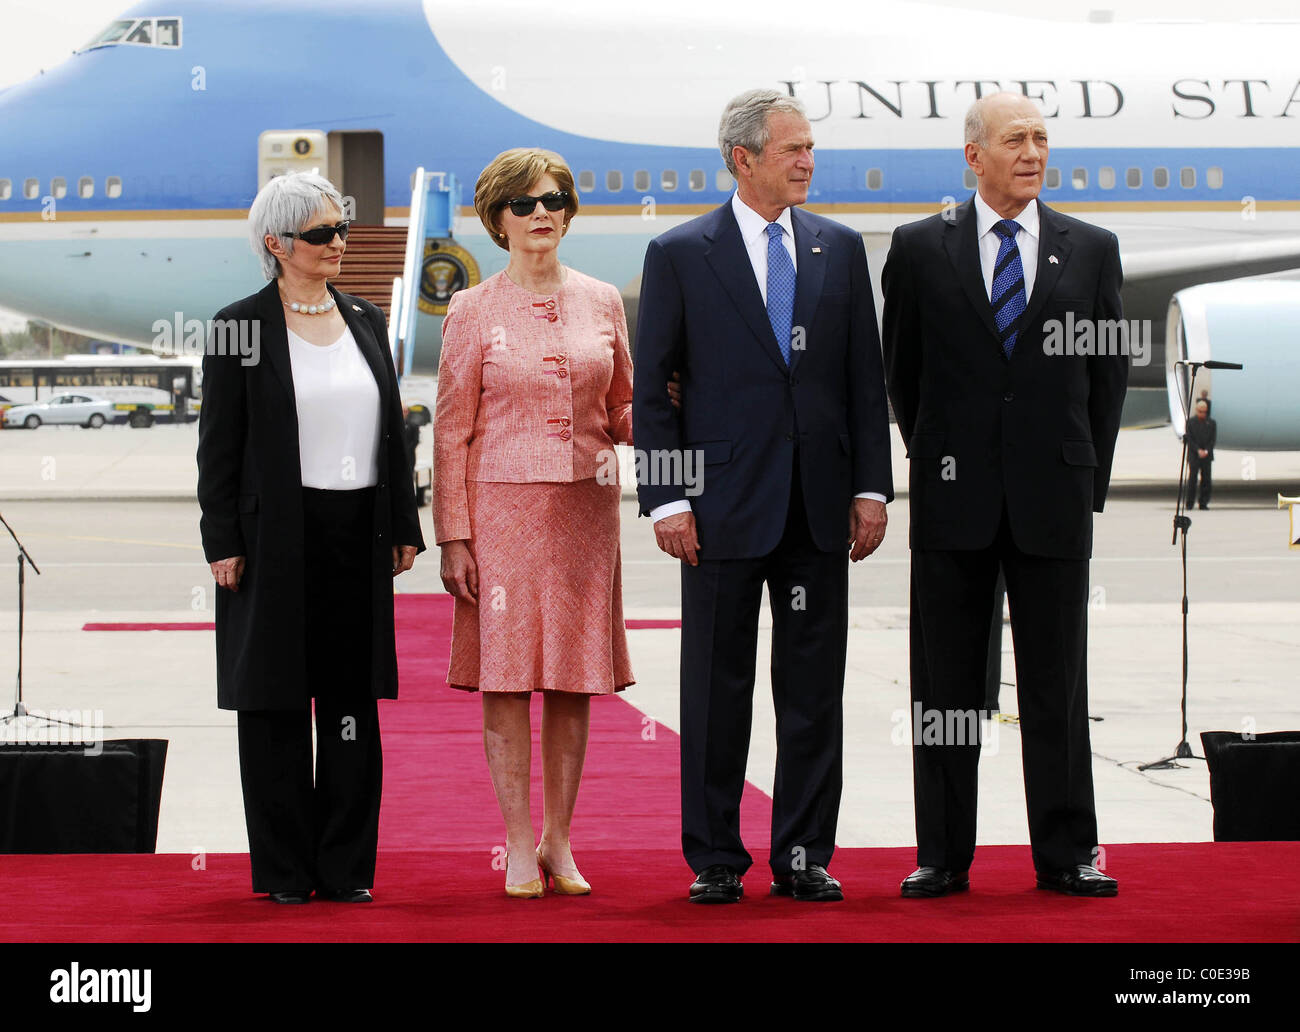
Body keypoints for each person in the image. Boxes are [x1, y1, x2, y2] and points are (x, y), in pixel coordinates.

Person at [634, 89, 893, 904]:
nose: (808, 162)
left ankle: (805, 853)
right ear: (742, 159)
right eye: (793, 150)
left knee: (813, 691)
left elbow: (863, 380)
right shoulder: (681, 254)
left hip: (818, 511)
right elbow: (655, 393)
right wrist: (667, 501)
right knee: (716, 692)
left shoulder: (839, 249)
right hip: (718, 513)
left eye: (811, 149)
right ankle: (715, 856)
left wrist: (871, 488)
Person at [882, 93, 1128, 898]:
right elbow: (902, 371)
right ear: (972, 156)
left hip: (1053, 497)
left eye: (1041, 139)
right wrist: (939, 456)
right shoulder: (920, 248)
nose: (1033, 152)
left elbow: (1106, 376)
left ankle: (1067, 854)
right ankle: (942, 855)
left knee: (1058, 687)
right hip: (955, 502)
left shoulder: (1091, 248)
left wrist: (1079, 465)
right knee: (945, 690)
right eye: (1016, 139)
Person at [197, 171, 425, 904]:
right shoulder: (240, 325)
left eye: (341, 230)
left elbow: (394, 435)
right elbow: (218, 448)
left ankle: (346, 868)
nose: (339, 244)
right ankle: (287, 872)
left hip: (357, 533)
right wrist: (221, 540)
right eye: (322, 233)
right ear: (277, 243)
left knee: (351, 705)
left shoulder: (363, 316)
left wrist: (402, 525)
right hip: (273, 537)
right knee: (275, 703)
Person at [433, 148, 634, 899]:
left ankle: (561, 841)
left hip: (586, 507)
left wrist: (668, 413)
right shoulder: (471, 309)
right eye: (522, 204)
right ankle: (518, 842)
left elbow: (621, 405)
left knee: (575, 681)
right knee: (509, 681)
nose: (540, 213)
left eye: (553, 199)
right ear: (497, 220)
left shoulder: (604, 299)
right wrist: (454, 534)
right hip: (501, 509)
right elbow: (450, 430)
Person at [1185, 399, 1216, 509]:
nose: (1202, 414)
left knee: (1206, 480)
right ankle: (1190, 502)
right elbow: (1190, 439)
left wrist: (1206, 451)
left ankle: (1203, 502)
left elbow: (1212, 440)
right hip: (1194, 455)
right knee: (1192, 480)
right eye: (1200, 411)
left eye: (1204, 412)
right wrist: (1198, 450)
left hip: (1206, 456)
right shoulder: (1190, 422)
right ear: (1196, 410)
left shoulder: (1211, 423)